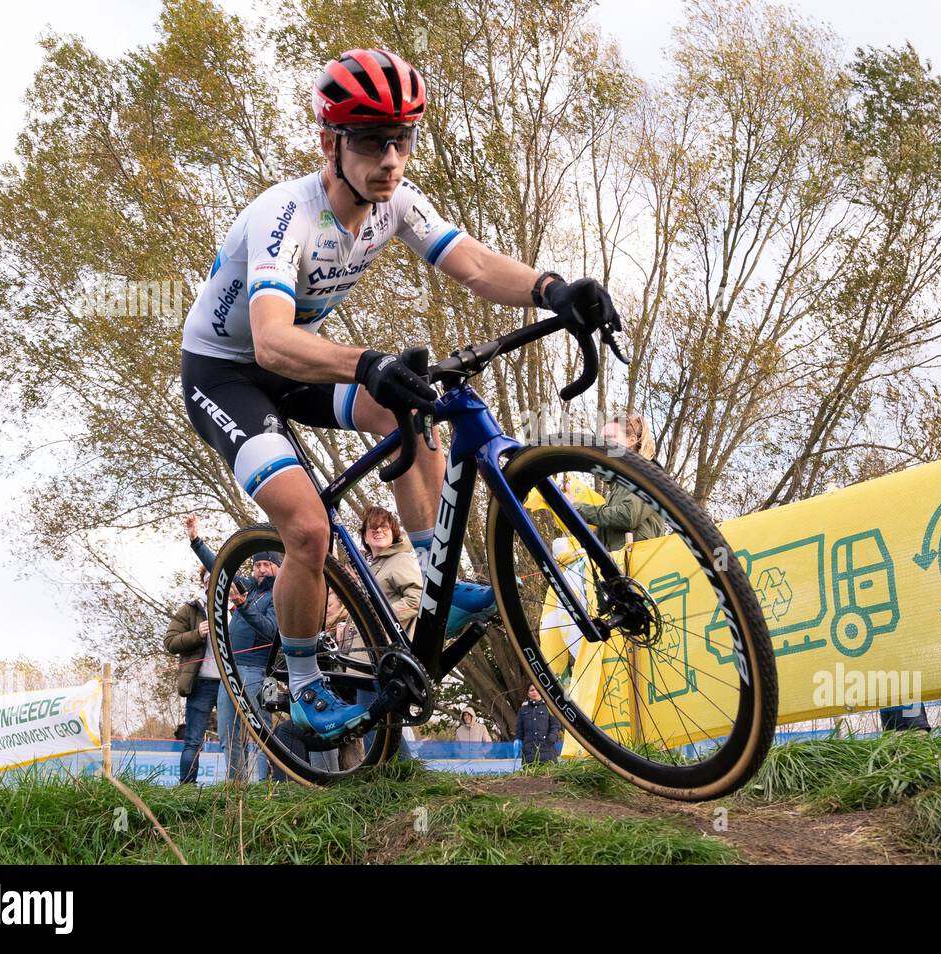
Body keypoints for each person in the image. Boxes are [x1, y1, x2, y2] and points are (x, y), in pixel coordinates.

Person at [178, 47, 620, 742]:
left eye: (403, 139)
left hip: (295, 362)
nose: (391, 158)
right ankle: (304, 685)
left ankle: (431, 585)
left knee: (411, 408)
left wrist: (552, 289)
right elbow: (268, 340)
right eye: (372, 141)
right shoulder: (284, 215)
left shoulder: (396, 204)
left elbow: (471, 264)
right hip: (228, 371)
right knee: (307, 528)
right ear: (330, 142)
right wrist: (366, 361)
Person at [185, 514, 278, 781]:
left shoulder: (278, 594)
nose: (261, 569)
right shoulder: (247, 588)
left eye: (266, 564)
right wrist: (196, 541)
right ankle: (235, 789)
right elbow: (221, 567)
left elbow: (270, 630)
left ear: (277, 567)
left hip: (257, 670)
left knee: (260, 732)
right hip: (230, 669)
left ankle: (264, 788)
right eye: (257, 564)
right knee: (228, 734)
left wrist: (245, 606)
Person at [573, 413, 665, 552]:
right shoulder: (619, 483)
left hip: (639, 563)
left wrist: (579, 509)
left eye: (609, 438)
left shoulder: (650, 475)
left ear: (631, 440)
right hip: (618, 564)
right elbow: (608, 530)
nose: (602, 444)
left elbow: (628, 516)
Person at [163, 567, 220, 784]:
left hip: (230, 684)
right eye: (208, 579)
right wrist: (197, 634)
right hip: (201, 683)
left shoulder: (235, 607)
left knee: (234, 739)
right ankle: (187, 788)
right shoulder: (190, 609)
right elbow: (170, 642)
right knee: (193, 740)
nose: (212, 583)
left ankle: (236, 789)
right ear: (204, 584)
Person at [361, 506, 423, 634]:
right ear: (365, 538)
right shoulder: (369, 569)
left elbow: (418, 598)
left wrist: (377, 619)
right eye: (372, 527)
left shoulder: (401, 559)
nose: (378, 530)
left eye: (384, 526)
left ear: (393, 533)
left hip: (387, 648)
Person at [514, 684, 561, 764]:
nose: (534, 692)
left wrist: (551, 739)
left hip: (547, 752)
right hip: (529, 754)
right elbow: (519, 730)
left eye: (537, 690)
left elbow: (555, 726)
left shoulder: (549, 707)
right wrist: (517, 740)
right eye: (532, 690)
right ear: (528, 693)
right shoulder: (523, 709)